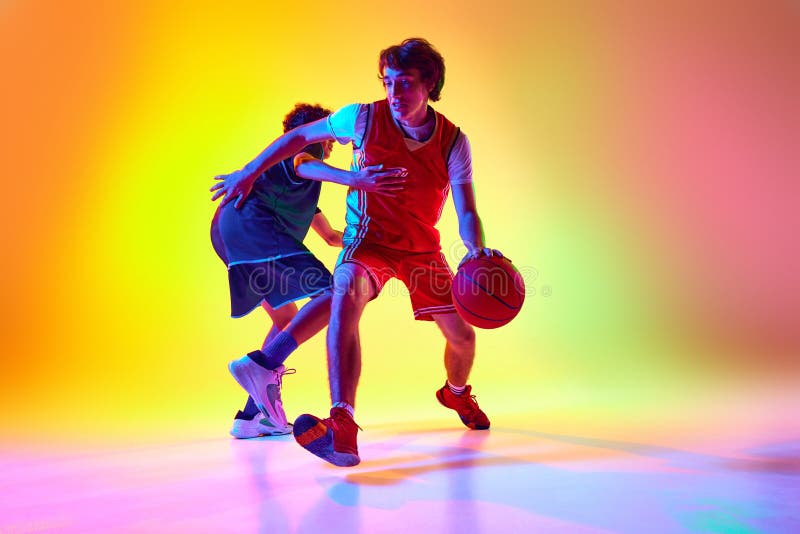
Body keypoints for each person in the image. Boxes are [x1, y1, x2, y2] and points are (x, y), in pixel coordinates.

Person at [211, 38, 501, 466]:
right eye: (387, 82)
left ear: (430, 83)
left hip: (422, 250)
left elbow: (467, 210)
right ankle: (342, 423)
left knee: (462, 337)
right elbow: (299, 140)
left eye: (404, 83)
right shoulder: (362, 118)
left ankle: (455, 393)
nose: (394, 93)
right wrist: (249, 171)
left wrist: (475, 250)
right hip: (368, 243)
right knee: (343, 296)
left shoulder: (454, 142)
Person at [211, 103, 406, 438]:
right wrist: (356, 179)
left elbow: (331, 236)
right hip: (252, 225)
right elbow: (304, 163)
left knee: (287, 319)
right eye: (328, 137)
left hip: (231, 234)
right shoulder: (303, 150)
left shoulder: (288, 187)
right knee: (336, 295)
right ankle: (263, 364)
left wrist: (380, 238)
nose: (331, 143)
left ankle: (253, 416)